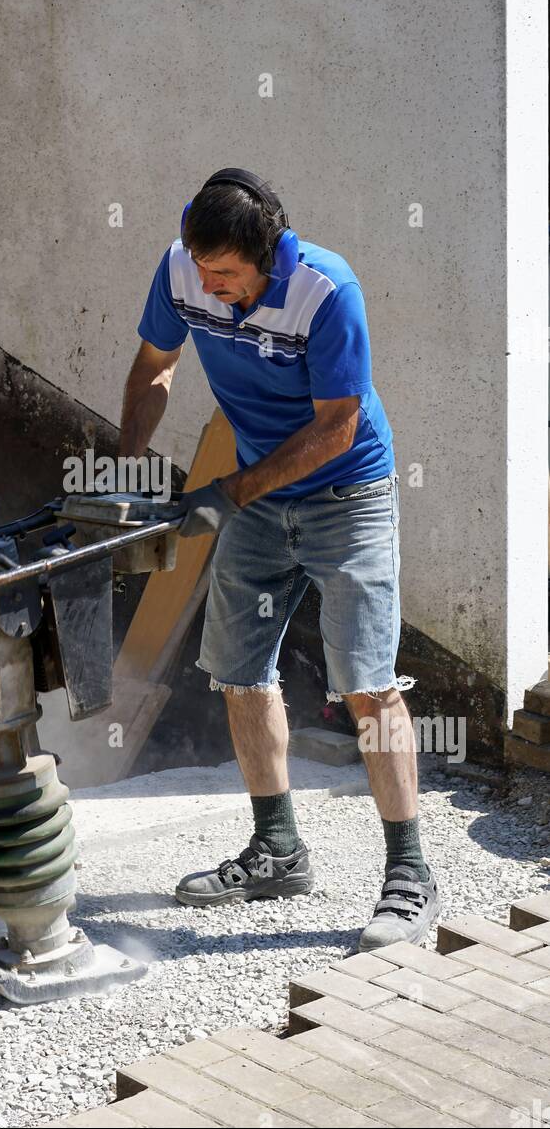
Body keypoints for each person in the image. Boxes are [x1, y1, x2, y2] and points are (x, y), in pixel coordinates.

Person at [119, 167, 439, 950]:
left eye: (224, 274)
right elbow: (156, 365)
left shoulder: (328, 292)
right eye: (200, 267)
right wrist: (125, 469)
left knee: (366, 686)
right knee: (238, 671)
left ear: (270, 255)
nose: (207, 284)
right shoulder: (182, 268)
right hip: (261, 499)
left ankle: (410, 874)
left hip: (346, 498)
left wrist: (232, 492)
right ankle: (277, 850)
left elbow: (336, 427)